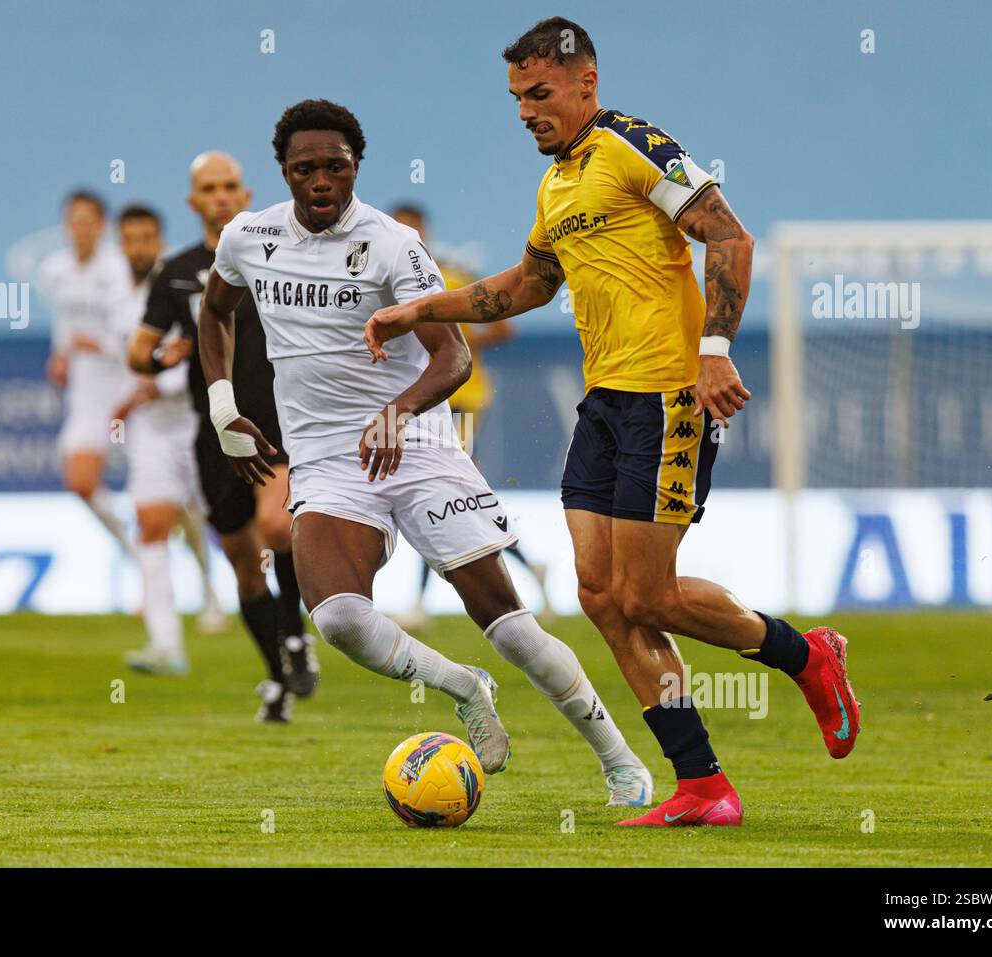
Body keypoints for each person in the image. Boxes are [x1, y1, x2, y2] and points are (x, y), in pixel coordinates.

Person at [366, 18, 861, 827]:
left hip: (669, 395)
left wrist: (713, 350)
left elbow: (730, 238)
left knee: (650, 595)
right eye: (517, 98)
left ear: (585, 83)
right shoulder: (558, 183)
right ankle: (703, 785)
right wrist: (422, 307)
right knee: (601, 596)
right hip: (603, 402)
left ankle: (806, 656)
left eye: (540, 93)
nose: (527, 110)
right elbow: (526, 284)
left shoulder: (635, 145)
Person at [196, 99, 654, 806]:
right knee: (341, 618)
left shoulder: (392, 244)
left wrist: (398, 410)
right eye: (305, 169)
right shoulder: (247, 237)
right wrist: (224, 404)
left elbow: (454, 357)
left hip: (417, 446)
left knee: (508, 625)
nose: (321, 182)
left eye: (336, 167)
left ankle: (619, 759)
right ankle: (462, 686)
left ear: (357, 166)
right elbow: (216, 311)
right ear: (283, 172)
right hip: (325, 458)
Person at [126, 154, 317, 722]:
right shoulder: (178, 271)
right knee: (241, 565)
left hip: (278, 421)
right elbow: (138, 351)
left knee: (279, 526)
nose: (221, 196)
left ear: (246, 192)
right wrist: (163, 355)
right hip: (215, 432)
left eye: (230, 185)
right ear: (193, 202)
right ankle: (276, 676)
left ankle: (297, 639)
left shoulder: (281, 256)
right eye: (209, 188)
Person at [388, 203, 554, 632]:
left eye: (414, 228)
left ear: (424, 230)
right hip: (418, 399)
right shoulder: (385, 276)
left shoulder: (446, 275)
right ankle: (528, 564)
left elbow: (503, 326)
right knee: (456, 496)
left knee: (440, 492)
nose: (408, 235)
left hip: (457, 399)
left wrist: (459, 347)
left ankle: (421, 603)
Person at [112, 204, 227, 675]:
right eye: (130, 238)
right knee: (153, 524)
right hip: (152, 433)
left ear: (159, 239)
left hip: (196, 421)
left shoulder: (181, 283)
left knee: (227, 523)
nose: (139, 247)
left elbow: (201, 349)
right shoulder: (112, 299)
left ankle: (274, 620)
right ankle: (166, 645)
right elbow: (124, 357)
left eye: (147, 237)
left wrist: (158, 377)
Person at [39, 190, 135, 553]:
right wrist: (60, 354)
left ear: (103, 226)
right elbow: (65, 321)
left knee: (166, 497)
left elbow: (136, 329)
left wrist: (103, 345)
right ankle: (133, 550)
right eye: (73, 221)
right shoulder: (56, 271)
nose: (80, 229)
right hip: (88, 392)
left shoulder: (119, 269)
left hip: (128, 386)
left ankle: (206, 586)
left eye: (88, 221)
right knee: (80, 480)